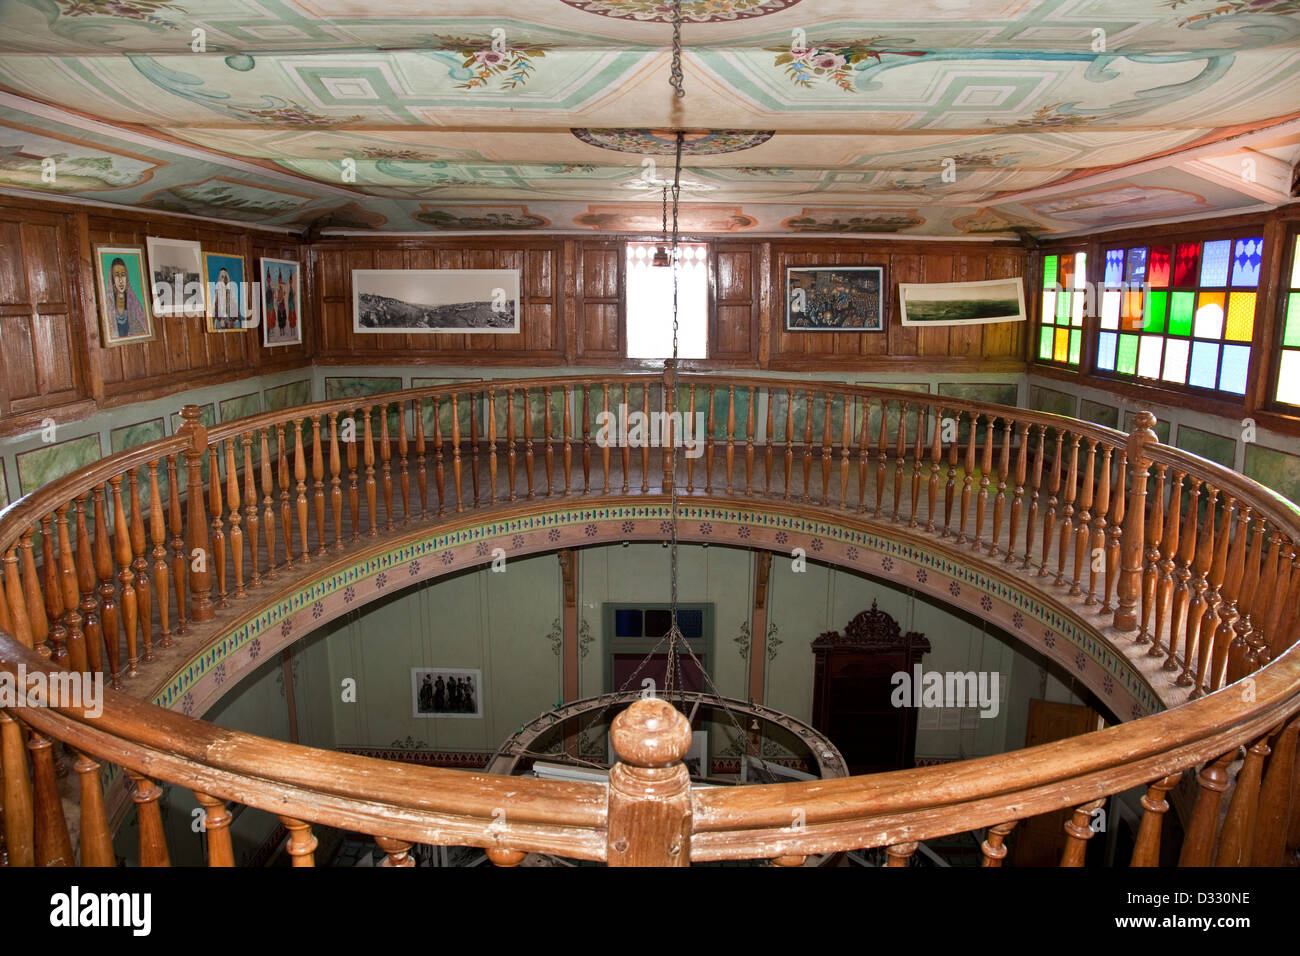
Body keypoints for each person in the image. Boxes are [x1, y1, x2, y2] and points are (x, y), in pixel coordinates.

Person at [106, 257, 148, 340]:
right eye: (117, 275)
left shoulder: (134, 304)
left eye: (123, 275)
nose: (121, 280)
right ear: (112, 279)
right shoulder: (108, 303)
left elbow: (141, 329)